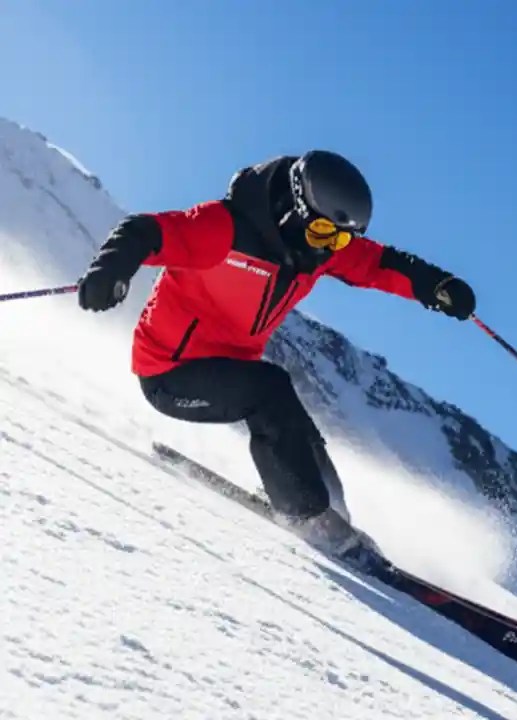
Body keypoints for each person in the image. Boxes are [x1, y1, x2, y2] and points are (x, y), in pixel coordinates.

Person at [75, 149, 476, 569]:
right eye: (324, 233)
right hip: (169, 373)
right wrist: (111, 270)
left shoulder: (317, 246)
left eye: (340, 239)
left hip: (231, 372)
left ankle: (333, 514)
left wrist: (437, 285)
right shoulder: (223, 228)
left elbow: (379, 264)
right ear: (293, 209)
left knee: (295, 421)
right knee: (270, 392)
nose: (330, 249)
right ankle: (307, 515)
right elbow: (145, 232)